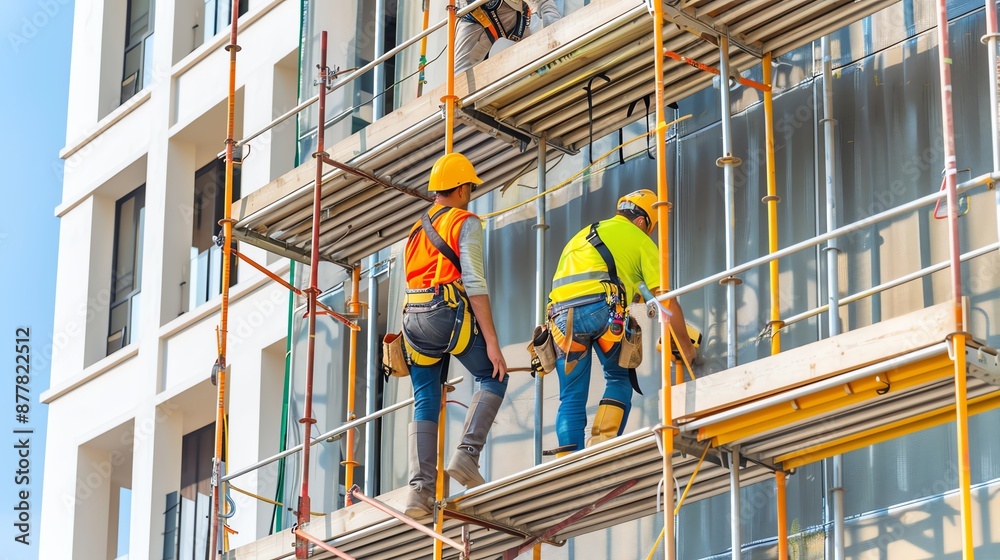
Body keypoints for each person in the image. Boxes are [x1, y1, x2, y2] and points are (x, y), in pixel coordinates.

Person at [547, 189, 698, 455]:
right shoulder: (639, 240)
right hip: (602, 309)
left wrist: (638, 321)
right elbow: (667, 301)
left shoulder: (582, 236)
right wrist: (685, 348)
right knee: (619, 377)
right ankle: (601, 447)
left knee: (571, 395)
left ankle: (567, 459)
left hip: (561, 319)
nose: (648, 233)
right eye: (650, 227)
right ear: (641, 222)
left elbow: (636, 303)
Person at [401, 152, 509, 517]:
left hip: (412, 320)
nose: (471, 195)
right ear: (462, 188)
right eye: (471, 188)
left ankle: (419, 491)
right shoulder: (465, 222)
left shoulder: (415, 231)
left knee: (424, 398)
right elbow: (475, 283)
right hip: (444, 312)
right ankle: (466, 456)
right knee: (492, 375)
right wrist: (492, 342)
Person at [455, 0, 562, 74]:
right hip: (477, 18)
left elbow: (544, 5)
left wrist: (555, 35)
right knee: (462, 80)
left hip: (513, 17)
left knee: (531, 66)